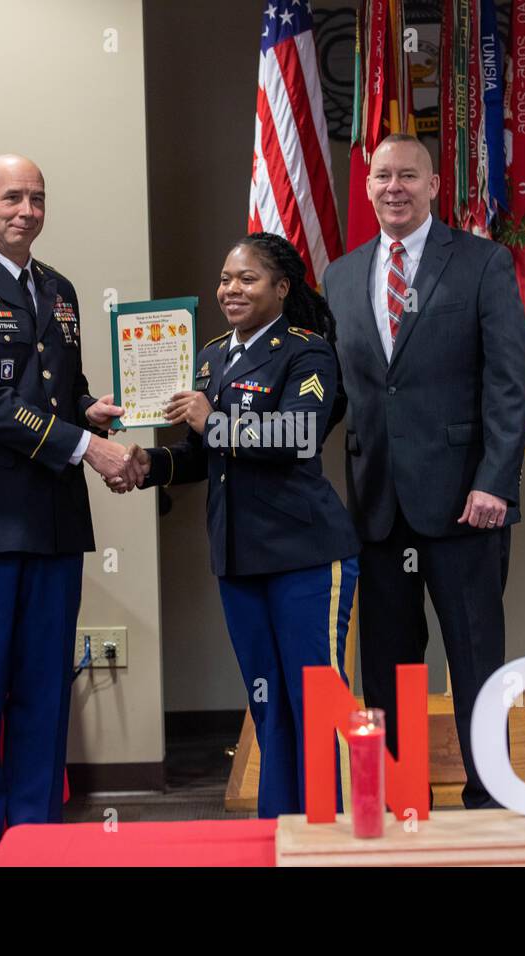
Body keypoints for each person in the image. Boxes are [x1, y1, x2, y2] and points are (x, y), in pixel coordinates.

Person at [0, 155, 138, 866]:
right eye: (12, 197)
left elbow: (56, 391)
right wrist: (85, 448)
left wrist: (89, 412)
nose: (27, 210)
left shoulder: (60, 289)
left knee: (45, 679)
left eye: (38, 198)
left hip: (49, 513)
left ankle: (36, 826)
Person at [115, 233, 360, 818]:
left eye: (247, 279)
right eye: (225, 278)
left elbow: (297, 436)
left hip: (304, 554)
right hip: (237, 556)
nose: (230, 289)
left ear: (281, 287)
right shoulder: (212, 355)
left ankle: (333, 832)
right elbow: (204, 453)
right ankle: (281, 826)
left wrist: (213, 418)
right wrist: (153, 465)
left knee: (316, 700)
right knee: (268, 700)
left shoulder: (308, 351)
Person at [322, 134, 525, 809]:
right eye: (382, 176)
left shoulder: (481, 264)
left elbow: (510, 384)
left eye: (408, 176)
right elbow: (333, 392)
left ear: (435, 185)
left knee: (475, 658)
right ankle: (402, 798)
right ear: (367, 186)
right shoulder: (341, 275)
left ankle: (489, 797)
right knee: (388, 666)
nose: (394, 188)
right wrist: (237, 424)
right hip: (377, 506)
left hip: (464, 505)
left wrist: (496, 481)